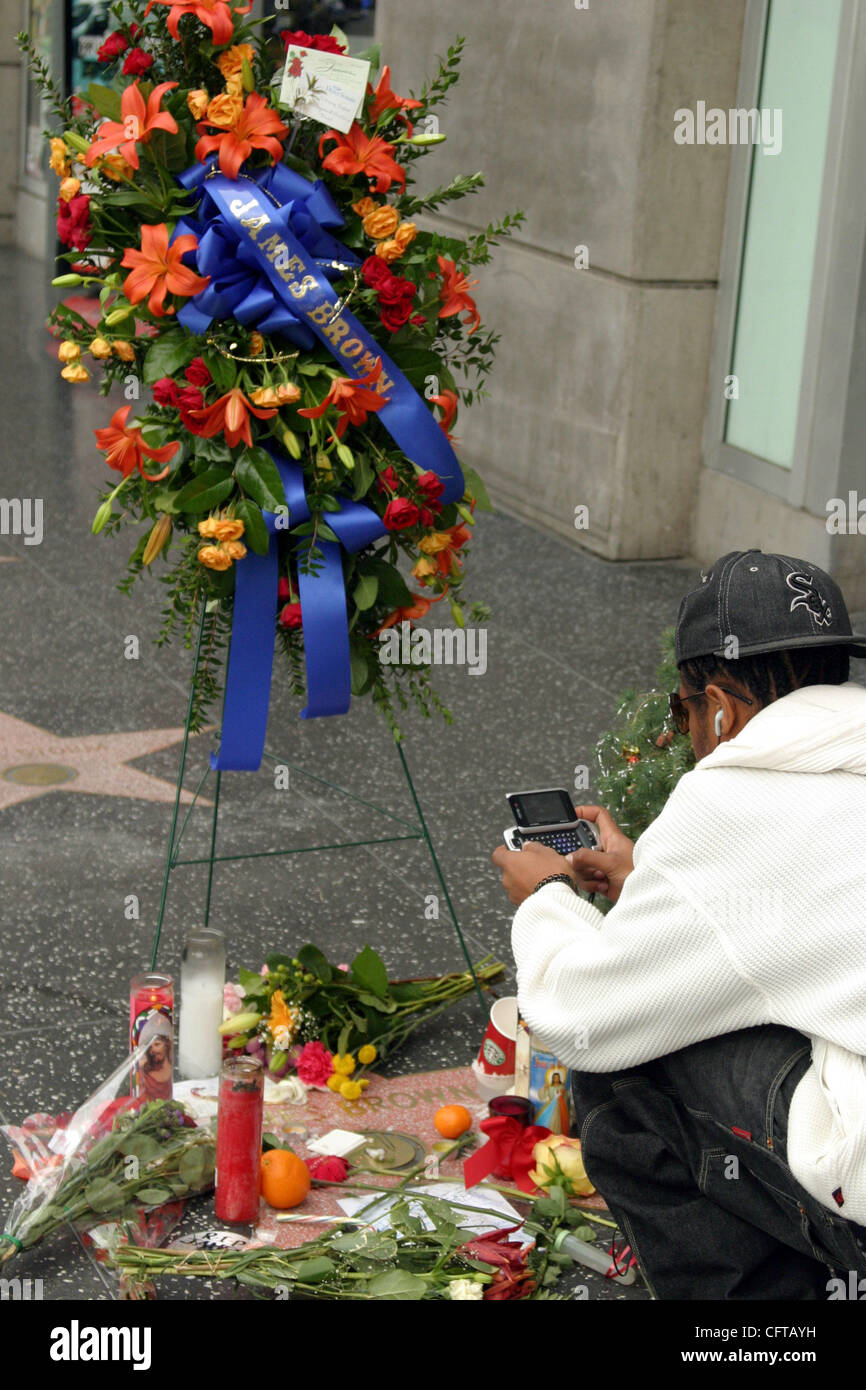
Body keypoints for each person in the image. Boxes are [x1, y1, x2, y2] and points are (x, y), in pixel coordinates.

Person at [492, 550, 866, 1299]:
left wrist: (546, 899)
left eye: (682, 710)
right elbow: (797, 916)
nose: (686, 731)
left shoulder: (737, 799)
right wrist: (648, 878)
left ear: (720, 706)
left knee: (627, 1068)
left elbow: (580, 1015)